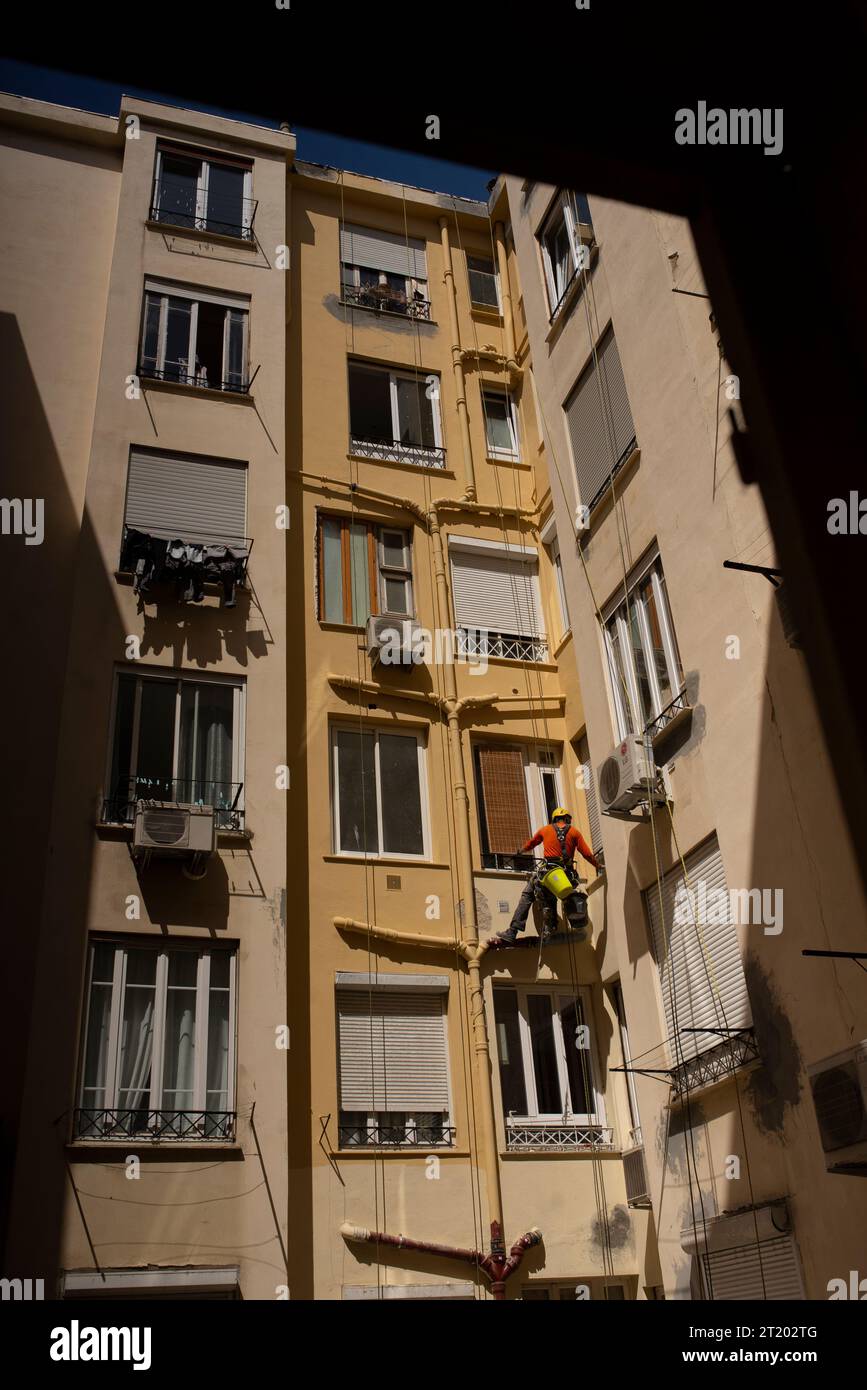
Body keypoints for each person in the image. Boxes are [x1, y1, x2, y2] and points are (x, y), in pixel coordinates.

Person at [494, 808, 602, 946]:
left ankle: (512, 931)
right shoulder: (574, 833)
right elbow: (587, 854)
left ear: (554, 819)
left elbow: (531, 844)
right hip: (566, 877)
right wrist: (597, 865)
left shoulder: (545, 830)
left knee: (528, 894)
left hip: (549, 875)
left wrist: (520, 851)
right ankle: (555, 928)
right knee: (560, 897)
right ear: (567, 819)